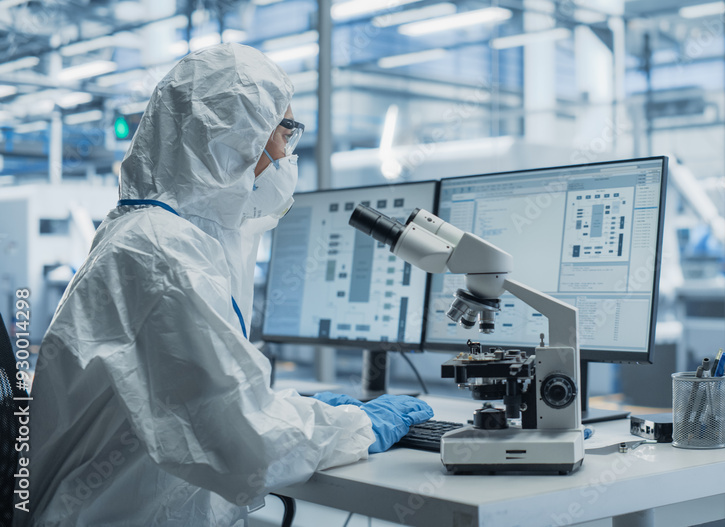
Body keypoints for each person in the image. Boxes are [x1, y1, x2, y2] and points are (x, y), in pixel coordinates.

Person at [19, 43, 432, 527]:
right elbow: (252, 444)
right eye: (285, 130)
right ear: (236, 135)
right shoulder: (162, 256)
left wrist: (300, 409)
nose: (287, 152)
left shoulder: (152, 235)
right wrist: (361, 425)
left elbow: (206, 401)